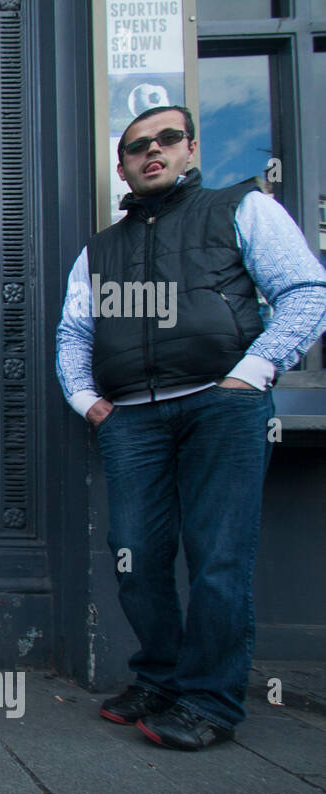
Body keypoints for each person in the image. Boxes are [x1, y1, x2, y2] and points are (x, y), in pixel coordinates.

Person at [56, 104, 326, 750]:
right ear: (121, 165)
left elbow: (306, 292)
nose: (153, 151)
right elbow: (74, 333)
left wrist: (253, 371)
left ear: (191, 149)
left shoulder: (242, 208)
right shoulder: (101, 248)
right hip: (132, 419)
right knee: (137, 558)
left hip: (221, 408)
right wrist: (88, 400)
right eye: (137, 145)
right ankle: (161, 677)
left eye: (167, 139)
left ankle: (210, 699)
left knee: (218, 560)